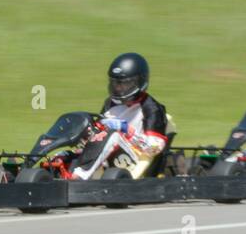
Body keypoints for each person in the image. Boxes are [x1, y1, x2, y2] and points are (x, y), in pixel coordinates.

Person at [67, 52, 174, 180]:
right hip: (109, 159)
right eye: (115, 83)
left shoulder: (152, 109)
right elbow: (100, 133)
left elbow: (154, 148)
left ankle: (79, 177)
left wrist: (127, 130)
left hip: (135, 162)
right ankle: (54, 170)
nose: (118, 88)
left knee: (114, 135)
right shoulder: (110, 103)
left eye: (124, 84)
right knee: (74, 149)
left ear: (139, 82)